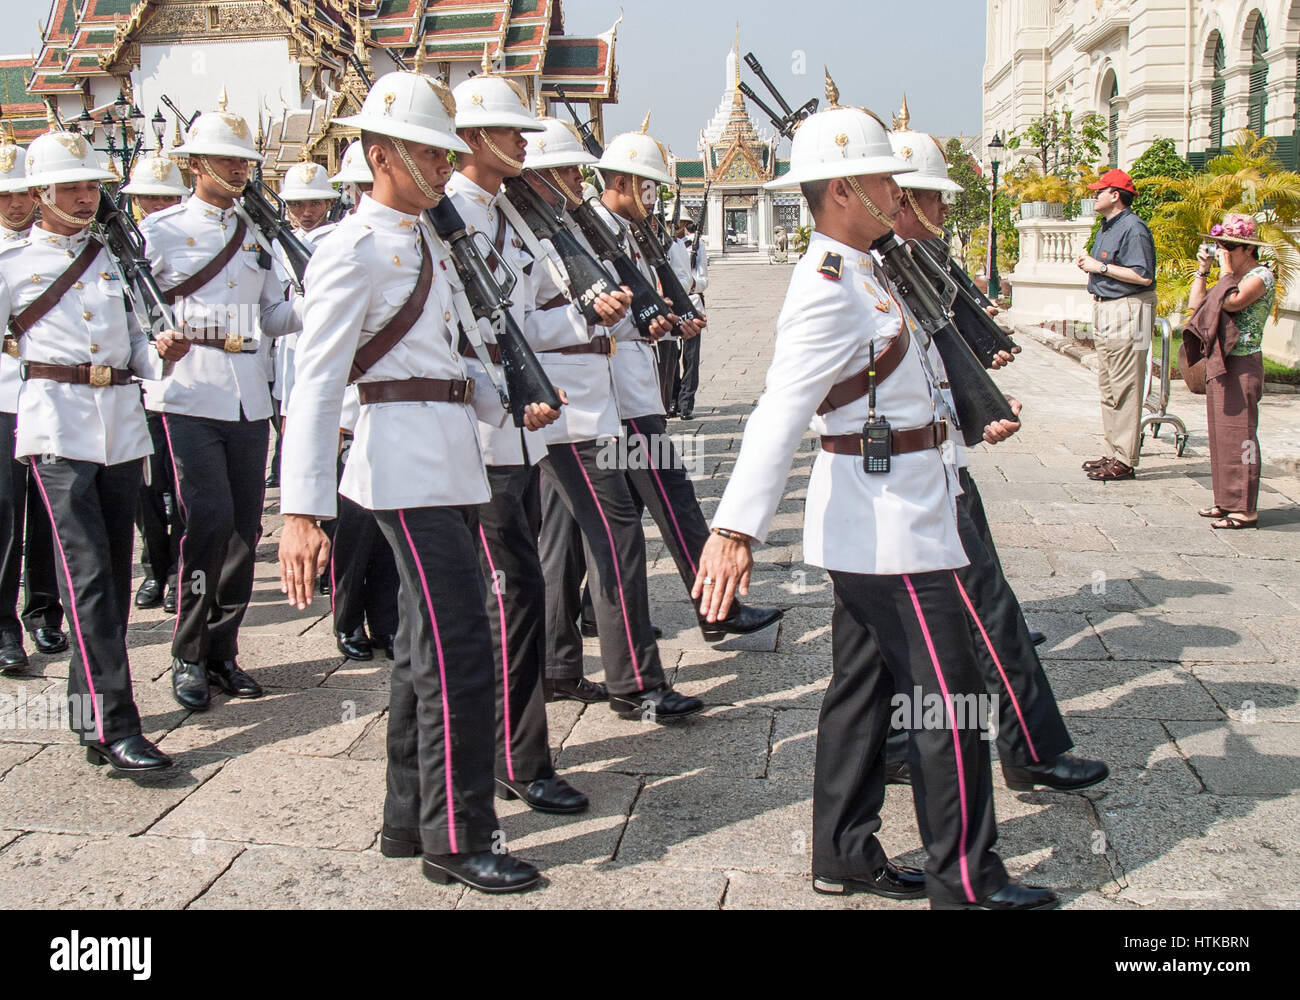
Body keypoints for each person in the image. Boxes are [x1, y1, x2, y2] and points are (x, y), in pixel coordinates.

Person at [694, 95, 1056, 909]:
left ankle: (842, 854)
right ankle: (966, 877)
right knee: (951, 698)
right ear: (844, 191)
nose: (898, 187)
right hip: (895, 529)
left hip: (878, 515)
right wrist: (734, 528)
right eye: (883, 176)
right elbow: (780, 408)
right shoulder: (829, 285)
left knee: (860, 690)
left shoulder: (866, 270)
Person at [279, 71, 547, 894]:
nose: (444, 163)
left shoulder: (433, 240)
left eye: (446, 149)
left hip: (448, 458)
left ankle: (409, 820)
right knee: (463, 649)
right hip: (401, 467)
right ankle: (460, 837)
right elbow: (318, 382)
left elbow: (453, 356)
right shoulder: (351, 247)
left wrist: (507, 402)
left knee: (425, 651)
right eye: (431, 151)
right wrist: (301, 510)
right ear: (382, 154)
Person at [883, 123, 1108, 794]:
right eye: (936, 199)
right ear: (900, 202)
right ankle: (1031, 747)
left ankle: (893, 747)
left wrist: (975, 398)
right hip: (918, 476)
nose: (948, 210)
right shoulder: (875, 276)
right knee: (989, 609)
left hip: (932, 465)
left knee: (885, 635)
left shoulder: (907, 268)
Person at [547, 124, 781, 661]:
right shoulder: (587, 231)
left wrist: (669, 320)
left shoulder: (623, 231)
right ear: (623, 183)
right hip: (614, 395)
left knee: (575, 522)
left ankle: (569, 634)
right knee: (669, 495)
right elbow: (595, 308)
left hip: (626, 387)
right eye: (647, 188)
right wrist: (645, 323)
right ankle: (713, 607)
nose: (652, 199)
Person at [0, 130, 188, 771]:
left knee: (109, 570)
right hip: (57, 429)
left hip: (119, 427)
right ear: (40, 194)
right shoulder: (13, 267)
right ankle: (116, 723)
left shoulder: (115, 259)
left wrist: (160, 355)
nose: (86, 198)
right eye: (72, 187)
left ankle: (87, 719)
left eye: (91, 186)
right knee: (90, 584)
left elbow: (133, 348)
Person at [519, 116, 703, 721]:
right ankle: (635, 681)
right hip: (565, 404)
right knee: (617, 534)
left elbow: (601, 316)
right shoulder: (526, 236)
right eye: (568, 170)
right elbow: (516, 324)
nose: (579, 179)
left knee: (562, 542)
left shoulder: (559, 228)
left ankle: (558, 666)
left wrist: (652, 319)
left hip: (589, 400)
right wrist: (591, 320)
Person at [444, 68, 591, 808]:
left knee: (522, 595)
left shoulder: (510, 216)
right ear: (469, 140)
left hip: (523, 437)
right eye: (508, 133)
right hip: (481, 437)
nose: (522, 144)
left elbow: (533, 319)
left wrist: (592, 316)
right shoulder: (445, 221)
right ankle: (516, 757)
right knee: (512, 600)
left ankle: (514, 750)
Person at [146, 91, 302, 712]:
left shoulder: (257, 232)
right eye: (223, 160)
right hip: (188, 389)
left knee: (241, 528)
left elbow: (272, 315)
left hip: (246, 391)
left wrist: (323, 303)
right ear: (194, 167)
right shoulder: (162, 231)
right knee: (205, 520)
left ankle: (222, 650)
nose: (238, 171)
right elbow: (137, 304)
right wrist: (152, 345)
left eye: (242, 162)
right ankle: (186, 651)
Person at [0, 133, 66, 672]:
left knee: (50, 512)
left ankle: (45, 612)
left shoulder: (62, 246)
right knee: (4, 512)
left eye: (23, 194)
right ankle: (3, 625)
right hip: (3, 396)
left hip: (53, 398)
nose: (17, 205)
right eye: (5, 198)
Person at [124, 152, 190, 614]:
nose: (156, 206)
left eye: (167, 198)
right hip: (139, 384)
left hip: (185, 381)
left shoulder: (187, 242)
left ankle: (181, 572)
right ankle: (154, 567)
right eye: (149, 197)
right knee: (149, 488)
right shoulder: (122, 249)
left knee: (186, 488)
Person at [1186, 213, 1273, 530]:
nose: (1225, 251)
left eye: (1230, 247)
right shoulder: (1227, 276)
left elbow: (1233, 303)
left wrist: (1224, 271)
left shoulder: (1261, 277)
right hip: (1222, 361)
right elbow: (1197, 304)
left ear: (1248, 249)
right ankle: (1225, 500)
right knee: (1221, 435)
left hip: (1244, 363)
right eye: (1221, 245)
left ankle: (1245, 508)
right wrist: (1203, 270)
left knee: (1242, 437)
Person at [1075, 168, 1156, 483]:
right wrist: (1095, 268)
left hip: (1128, 310)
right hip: (1106, 308)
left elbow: (1143, 275)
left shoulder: (1134, 229)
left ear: (1115, 195)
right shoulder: (1108, 227)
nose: (1095, 195)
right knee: (1108, 386)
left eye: (1100, 190)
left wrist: (1102, 267)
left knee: (1125, 387)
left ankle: (1125, 459)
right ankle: (1113, 452)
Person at [266, 161, 340, 491]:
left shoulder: (339, 238)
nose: (306, 212)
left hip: (329, 338)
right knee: (292, 424)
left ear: (328, 204)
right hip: (290, 342)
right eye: (297, 204)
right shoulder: (278, 243)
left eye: (314, 203)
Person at [674, 217, 708, 419]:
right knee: (670, 357)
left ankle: (686, 403)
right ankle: (672, 399)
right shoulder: (660, 243)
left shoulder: (694, 244)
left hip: (692, 304)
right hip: (669, 305)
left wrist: (686, 284)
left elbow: (703, 280)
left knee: (690, 357)